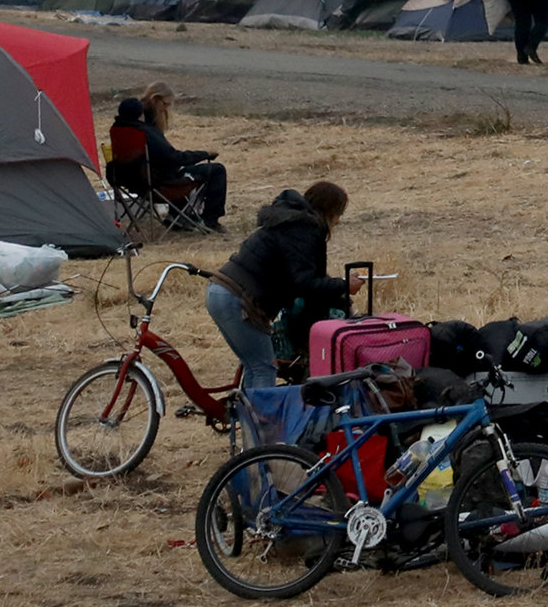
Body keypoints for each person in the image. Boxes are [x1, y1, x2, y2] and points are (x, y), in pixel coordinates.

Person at [206, 182, 361, 390]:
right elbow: (305, 284)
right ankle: (263, 412)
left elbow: (300, 275)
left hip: (220, 290)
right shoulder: (304, 230)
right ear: (328, 210)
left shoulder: (289, 221)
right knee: (264, 367)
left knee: (254, 366)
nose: (338, 221)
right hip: (240, 299)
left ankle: (250, 409)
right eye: (338, 213)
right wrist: (343, 285)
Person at [112, 97, 227, 229]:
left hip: (135, 183)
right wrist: (204, 154)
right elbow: (174, 157)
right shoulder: (145, 132)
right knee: (217, 170)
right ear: (140, 115)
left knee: (180, 170)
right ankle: (210, 220)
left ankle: (176, 216)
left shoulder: (117, 130)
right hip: (161, 185)